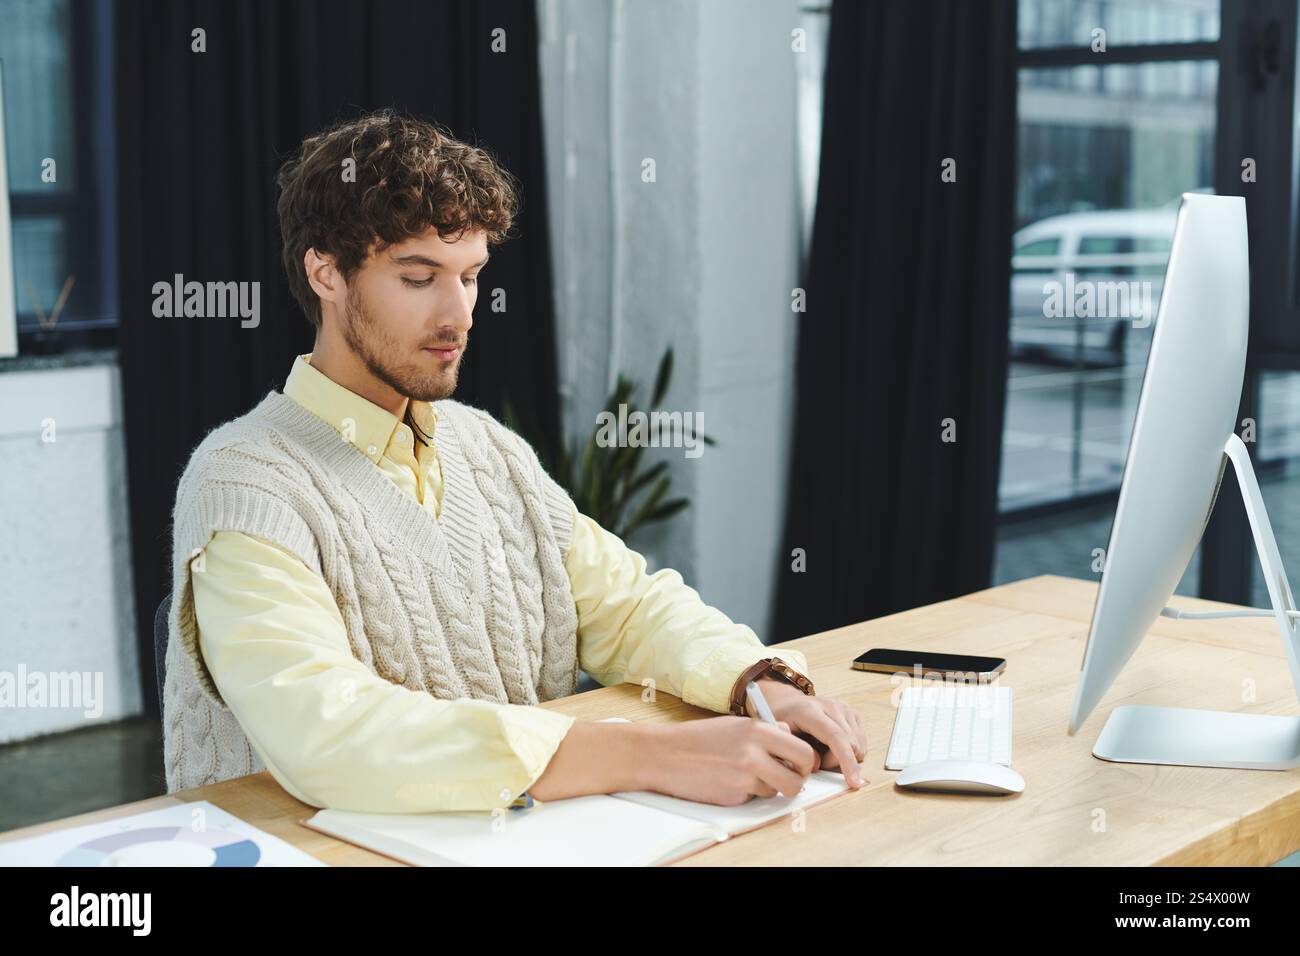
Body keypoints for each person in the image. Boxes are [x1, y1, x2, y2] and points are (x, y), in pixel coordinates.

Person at [161, 109, 866, 813]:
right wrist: (651, 756)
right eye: (418, 277)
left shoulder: (486, 448)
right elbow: (328, 732)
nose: (460, 313)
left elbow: (627, 606)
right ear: (327, 274)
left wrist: (757, 684)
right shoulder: (242, 482)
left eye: (470, 276)